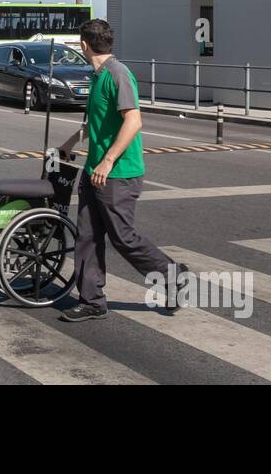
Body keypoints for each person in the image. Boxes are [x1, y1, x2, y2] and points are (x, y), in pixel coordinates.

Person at [56, 19, 187, 322]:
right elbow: (97, 123)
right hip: (95, 171)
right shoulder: (98, 76)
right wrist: (70, 143)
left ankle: (173, 274)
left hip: (119, 173)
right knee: (87, 237)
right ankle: (92, 301)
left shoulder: (117, 74)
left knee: (123, 237)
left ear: (84, 45)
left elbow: (133, 121)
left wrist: (108, 160)